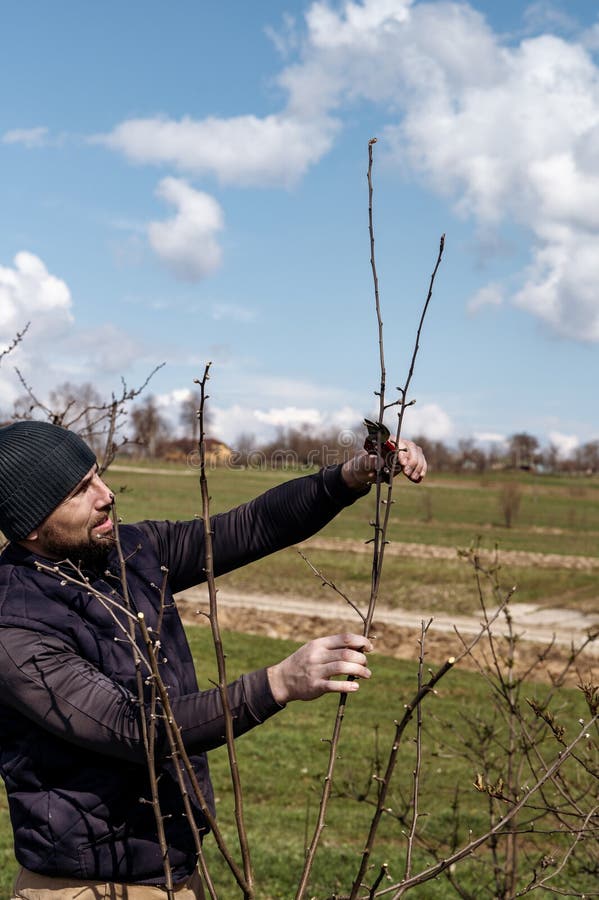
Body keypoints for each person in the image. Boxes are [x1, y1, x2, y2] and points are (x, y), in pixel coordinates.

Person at [0, 420, 426, 899]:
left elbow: (254, 525)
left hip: (175, 868)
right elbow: (136, 727)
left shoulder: (133, 552)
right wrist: (278, 683)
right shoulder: (14, 630)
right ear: (32, 524)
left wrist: (351, 474)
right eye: (81, 490)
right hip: (89, 885)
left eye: (98, 475)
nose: (106, 494)